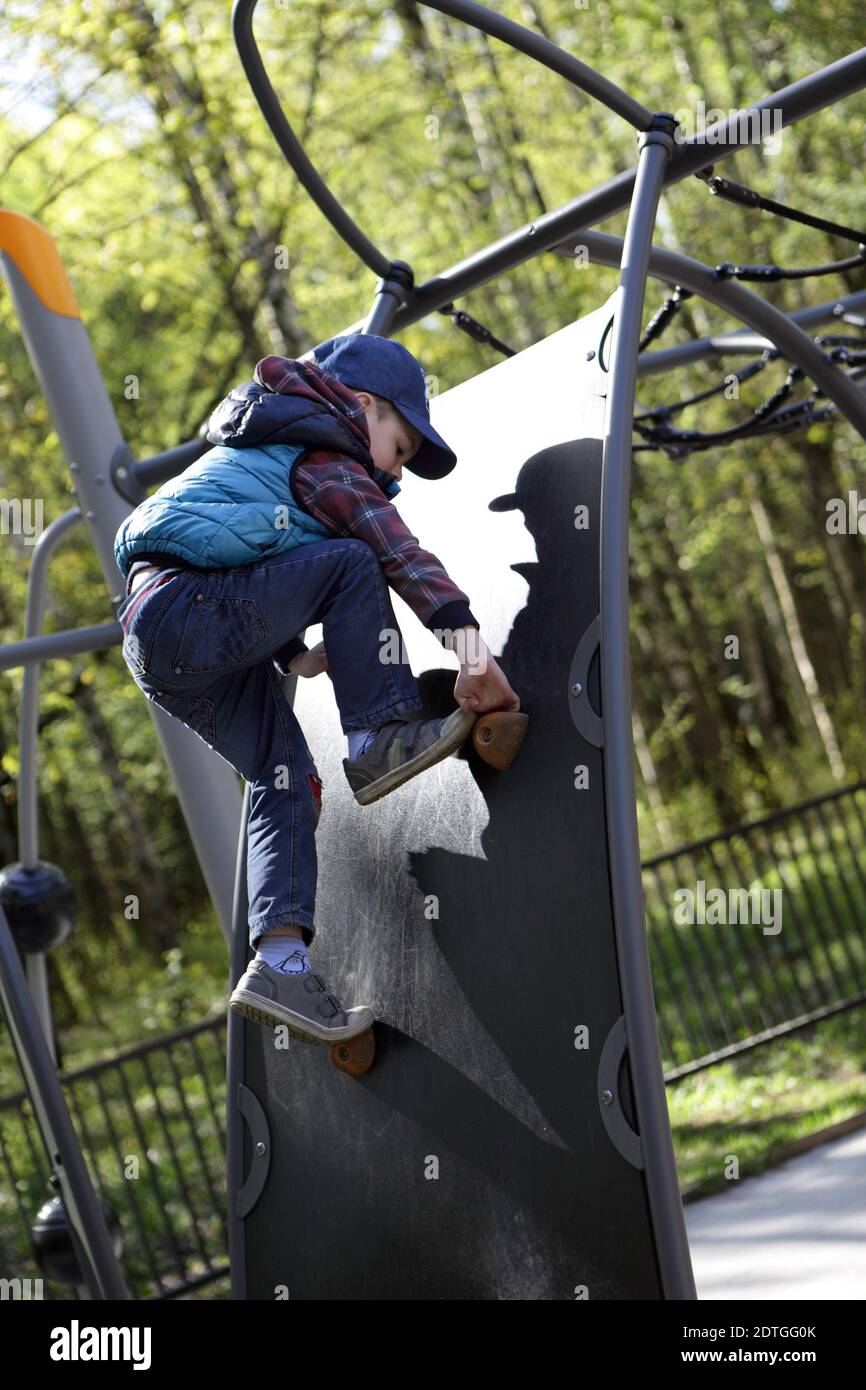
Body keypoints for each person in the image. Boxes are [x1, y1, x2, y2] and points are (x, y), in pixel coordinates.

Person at [113, 333, 520, 1045]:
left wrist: (295, 652)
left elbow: (237, 547)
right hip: (188, 608)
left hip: (164, 640)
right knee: (354, 561)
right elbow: (395, 551)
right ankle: (380, 738)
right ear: (364, 407)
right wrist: (471, 650)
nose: (400, 467)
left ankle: (279, 962)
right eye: (402, 444)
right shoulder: (323, 452)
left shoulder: (264, 455)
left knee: (285, 780)